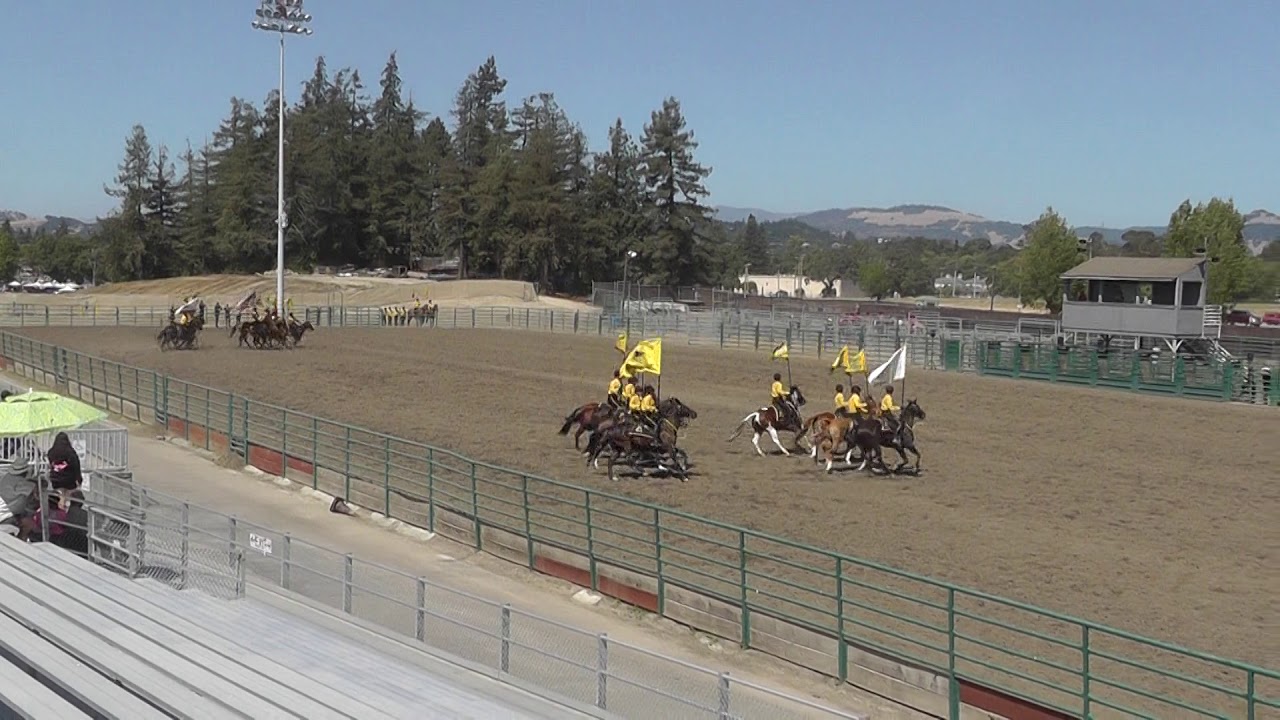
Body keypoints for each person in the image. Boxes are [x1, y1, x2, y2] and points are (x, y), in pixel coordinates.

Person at [0, 458, 36, 531]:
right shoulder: (22, 483)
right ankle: (21, 540)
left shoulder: (6, 478)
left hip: (4, 513)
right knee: (29, 524)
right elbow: (35, 490)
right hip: (7, 516)